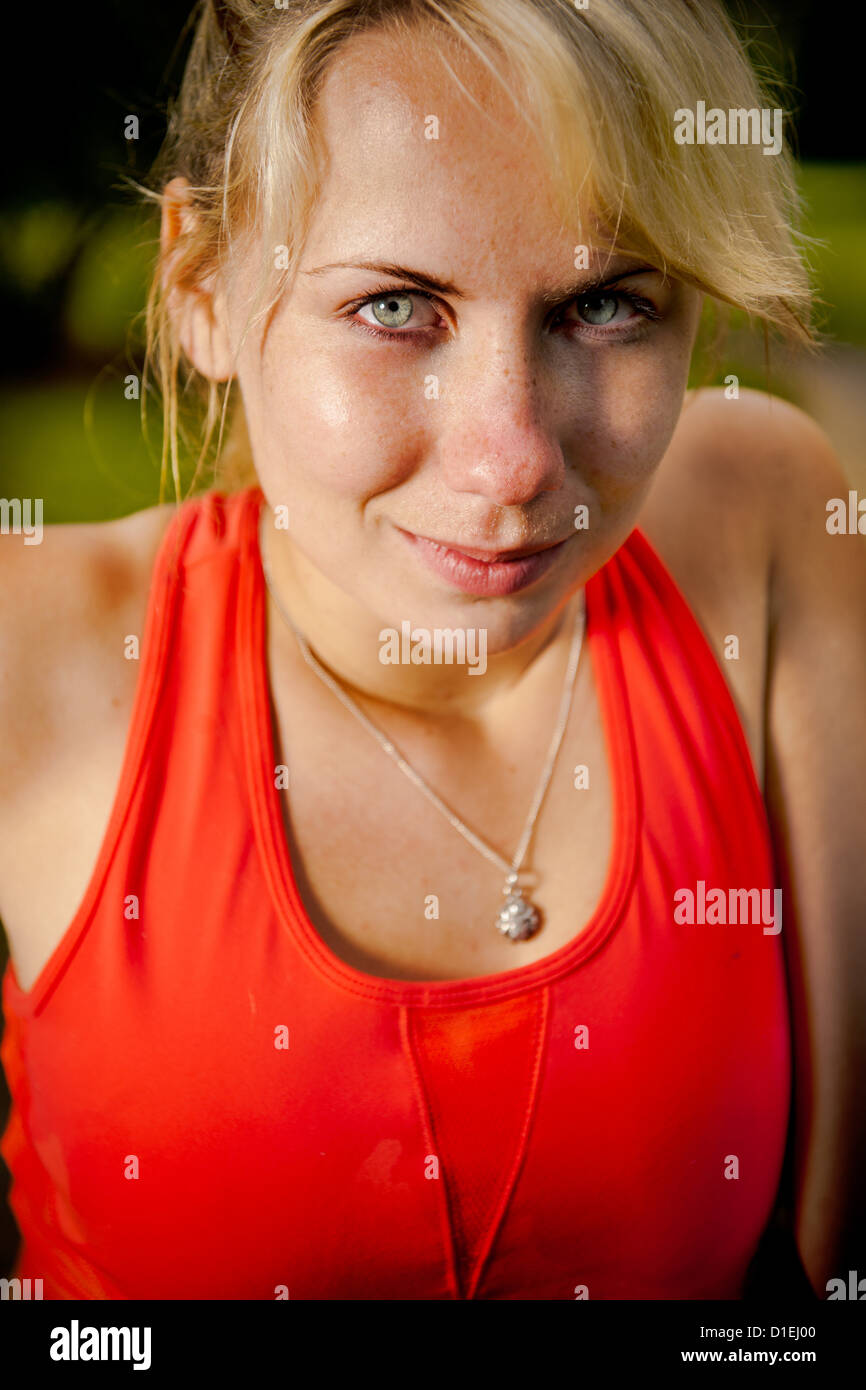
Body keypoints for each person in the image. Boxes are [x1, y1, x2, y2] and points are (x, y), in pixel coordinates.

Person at [1, 0, 864, 1301]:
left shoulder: (759, 518)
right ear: (202, 297)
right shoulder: (38, 645)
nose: (512, 458)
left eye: (606, 303)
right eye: (396, 305)